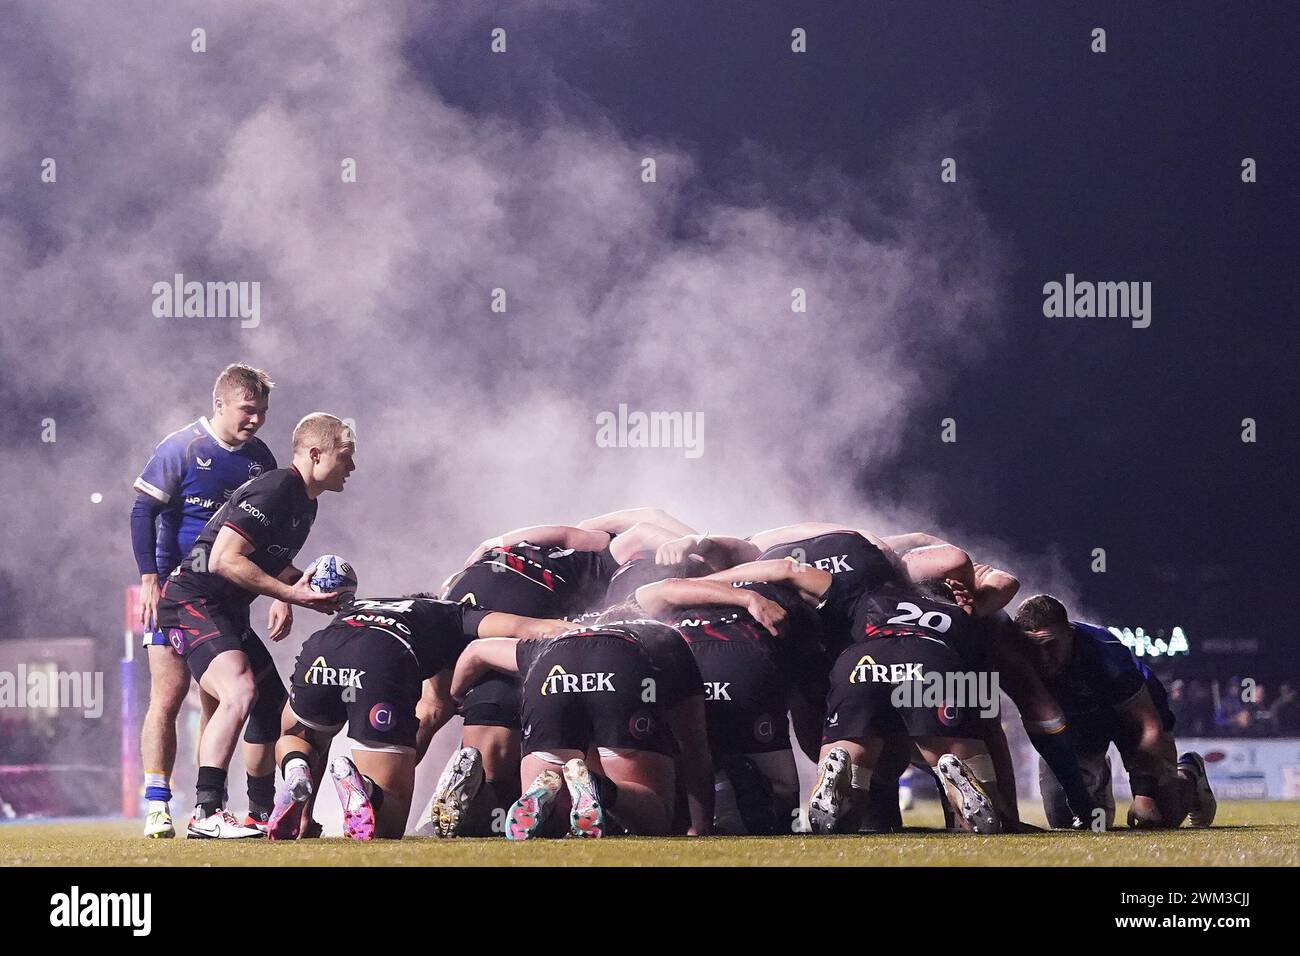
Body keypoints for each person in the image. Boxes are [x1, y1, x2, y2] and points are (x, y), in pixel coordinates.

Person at [154, 413, 354, 838]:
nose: (352, 467)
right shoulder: (278, 486)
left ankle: (262, 813)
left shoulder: (305, 500)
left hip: (222, 608)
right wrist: (289, 594)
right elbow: (225, 559)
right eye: (345, 457)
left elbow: (264, 556)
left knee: (272, 706)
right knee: (240, 690)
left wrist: (296, 584)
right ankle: (206, 813)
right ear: (316, 454)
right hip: (191, 600)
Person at [425, 518, 682, 837]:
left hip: (461, 607)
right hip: (542, 636)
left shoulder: (494, 555)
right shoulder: (596, 564)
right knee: (639, 804)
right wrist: (690, 544)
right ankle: (597, 790)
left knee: (460, 737)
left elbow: (564, 532)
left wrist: (455, 697)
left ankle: (432, 802)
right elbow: (630, 531)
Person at [268, 594, 569, 841]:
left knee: (299, 737)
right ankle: (369, 790)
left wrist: (305, 817)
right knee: (387, 826)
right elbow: (522, 626)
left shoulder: (366, 604)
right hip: (381, 657)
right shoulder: (451, 612)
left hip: (324, 646)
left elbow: (432, 710)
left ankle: (296, 768)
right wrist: (582, 631)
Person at [130, 363, 278, 838]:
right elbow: (142, 510)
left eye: (262, 412)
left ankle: (208, 805)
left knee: (219, 699)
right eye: (246, 410)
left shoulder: (261, 460)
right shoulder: (183, 448)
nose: (254, 420)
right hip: (176, 592)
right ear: (220, 404)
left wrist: (280, 594)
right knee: (169, 696)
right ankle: (157, 803)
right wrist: (149, 577)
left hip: (227, 598)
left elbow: (265, 533)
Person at [450, 606, 714, 839]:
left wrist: (456, 697)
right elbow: (693, 740)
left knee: (547, 813)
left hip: (552, 660)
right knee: (654, 817)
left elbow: (476, 651)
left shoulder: (565, 634)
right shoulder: (663, 634)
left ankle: (477, 793)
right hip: (623, 659)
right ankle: (600, 788)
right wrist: (702, 825)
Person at [634, 575, 828, 834]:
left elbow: (658, 588)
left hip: (684, 662)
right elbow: (802, 696)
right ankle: (746, 790)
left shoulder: (679, 596)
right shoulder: (775, 594)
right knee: (782, 789)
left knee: (679, 765)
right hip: (741, 661)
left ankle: (693, 815)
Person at [1014, 594, 1216, 829]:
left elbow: (1146, 726)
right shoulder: (1018, 659)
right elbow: (1044, 733)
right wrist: (1077, 794)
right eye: (1034, 647)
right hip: (1079, 723)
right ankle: (1097, 777)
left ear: (1069, 633)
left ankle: (1190, 774)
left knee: (1159, 819)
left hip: (1131, 717)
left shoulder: (1106, 655)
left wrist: (1145, 794)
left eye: (1051, 645)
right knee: (1066, 822)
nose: (1043, 657)